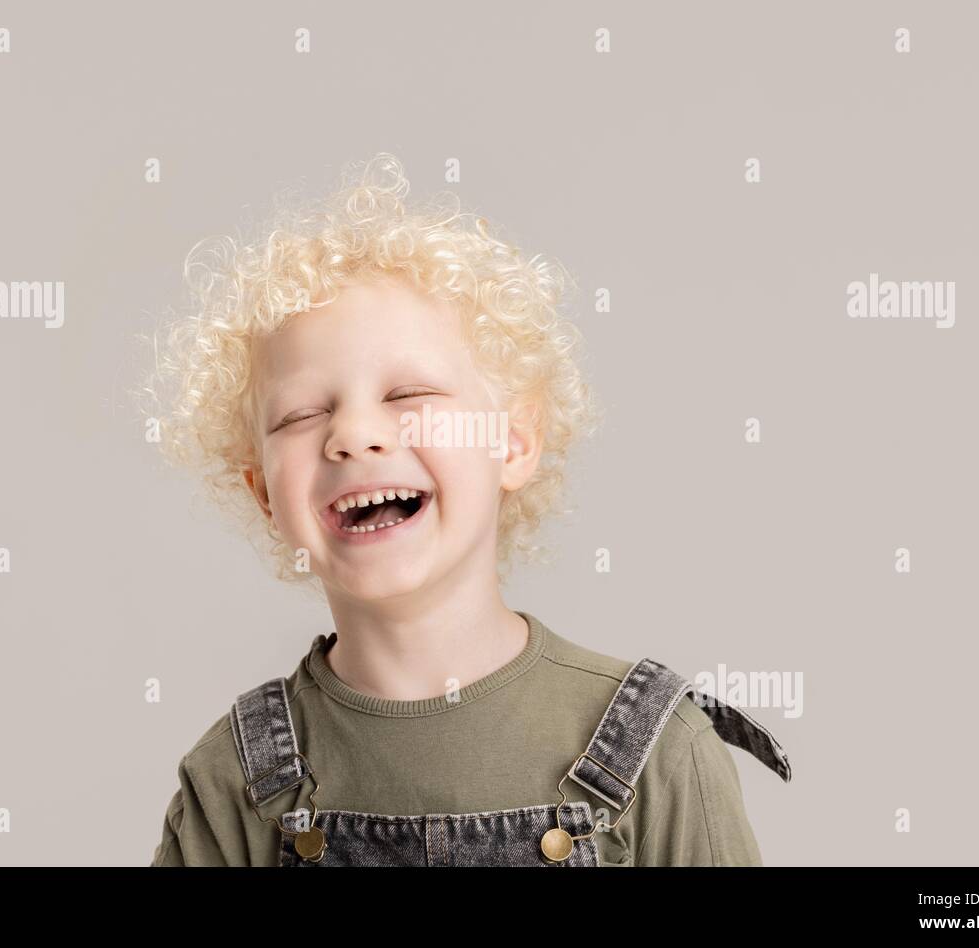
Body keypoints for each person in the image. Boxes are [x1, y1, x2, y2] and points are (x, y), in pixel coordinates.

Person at [141, 153, 790, 866]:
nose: (353, 435)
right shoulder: (235, 781)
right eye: (302, 412)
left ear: (512, 441)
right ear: (265, 493)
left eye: (407, 394)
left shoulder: (658, 755)